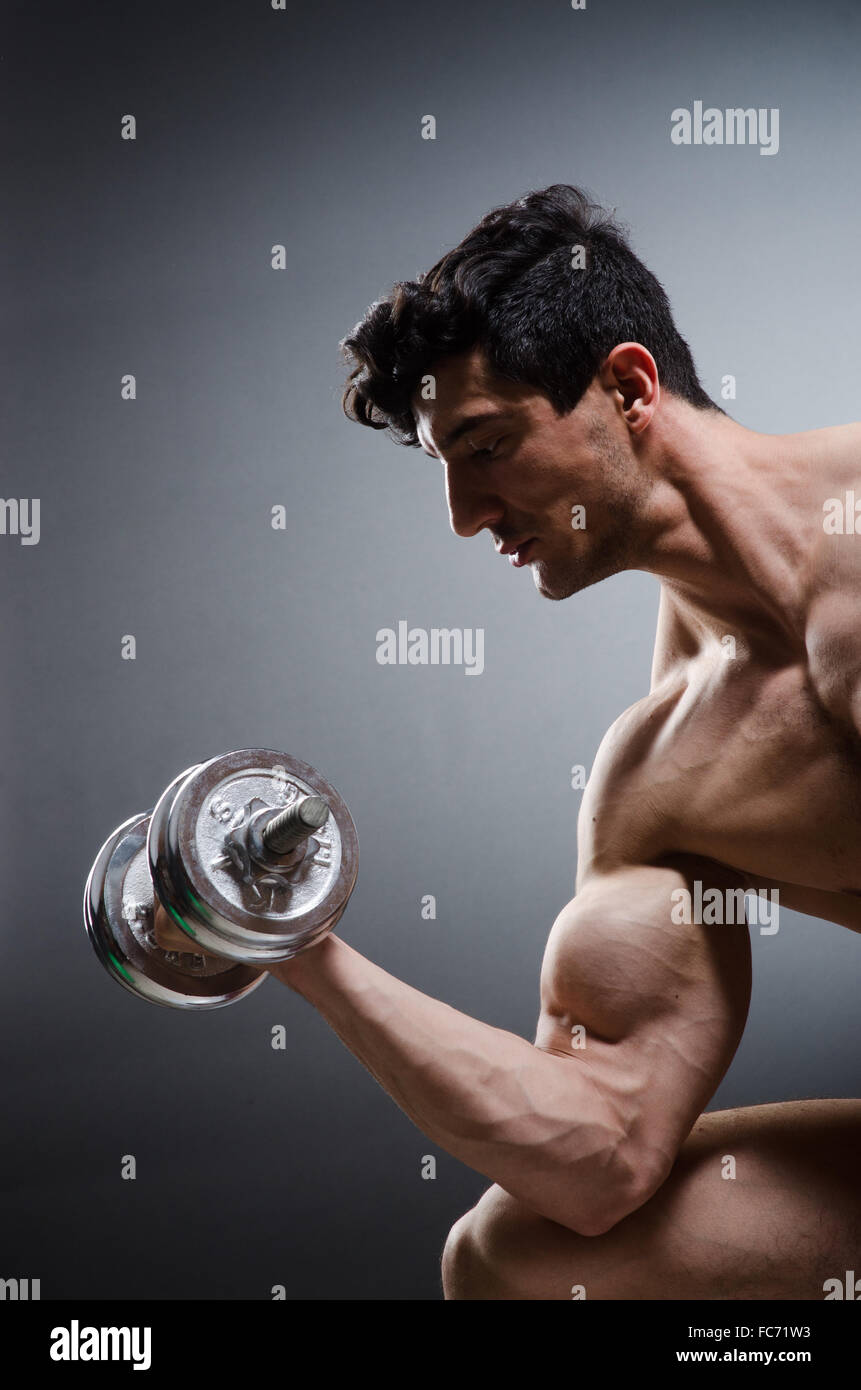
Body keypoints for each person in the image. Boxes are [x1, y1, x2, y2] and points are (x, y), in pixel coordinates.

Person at [161, 185, 861, 1299]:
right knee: (513, 1263)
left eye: (486, 446)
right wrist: (297, 948)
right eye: (447, 463)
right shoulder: (659, 773)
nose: (464, 514)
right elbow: (604, 1154)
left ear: (628, 389)